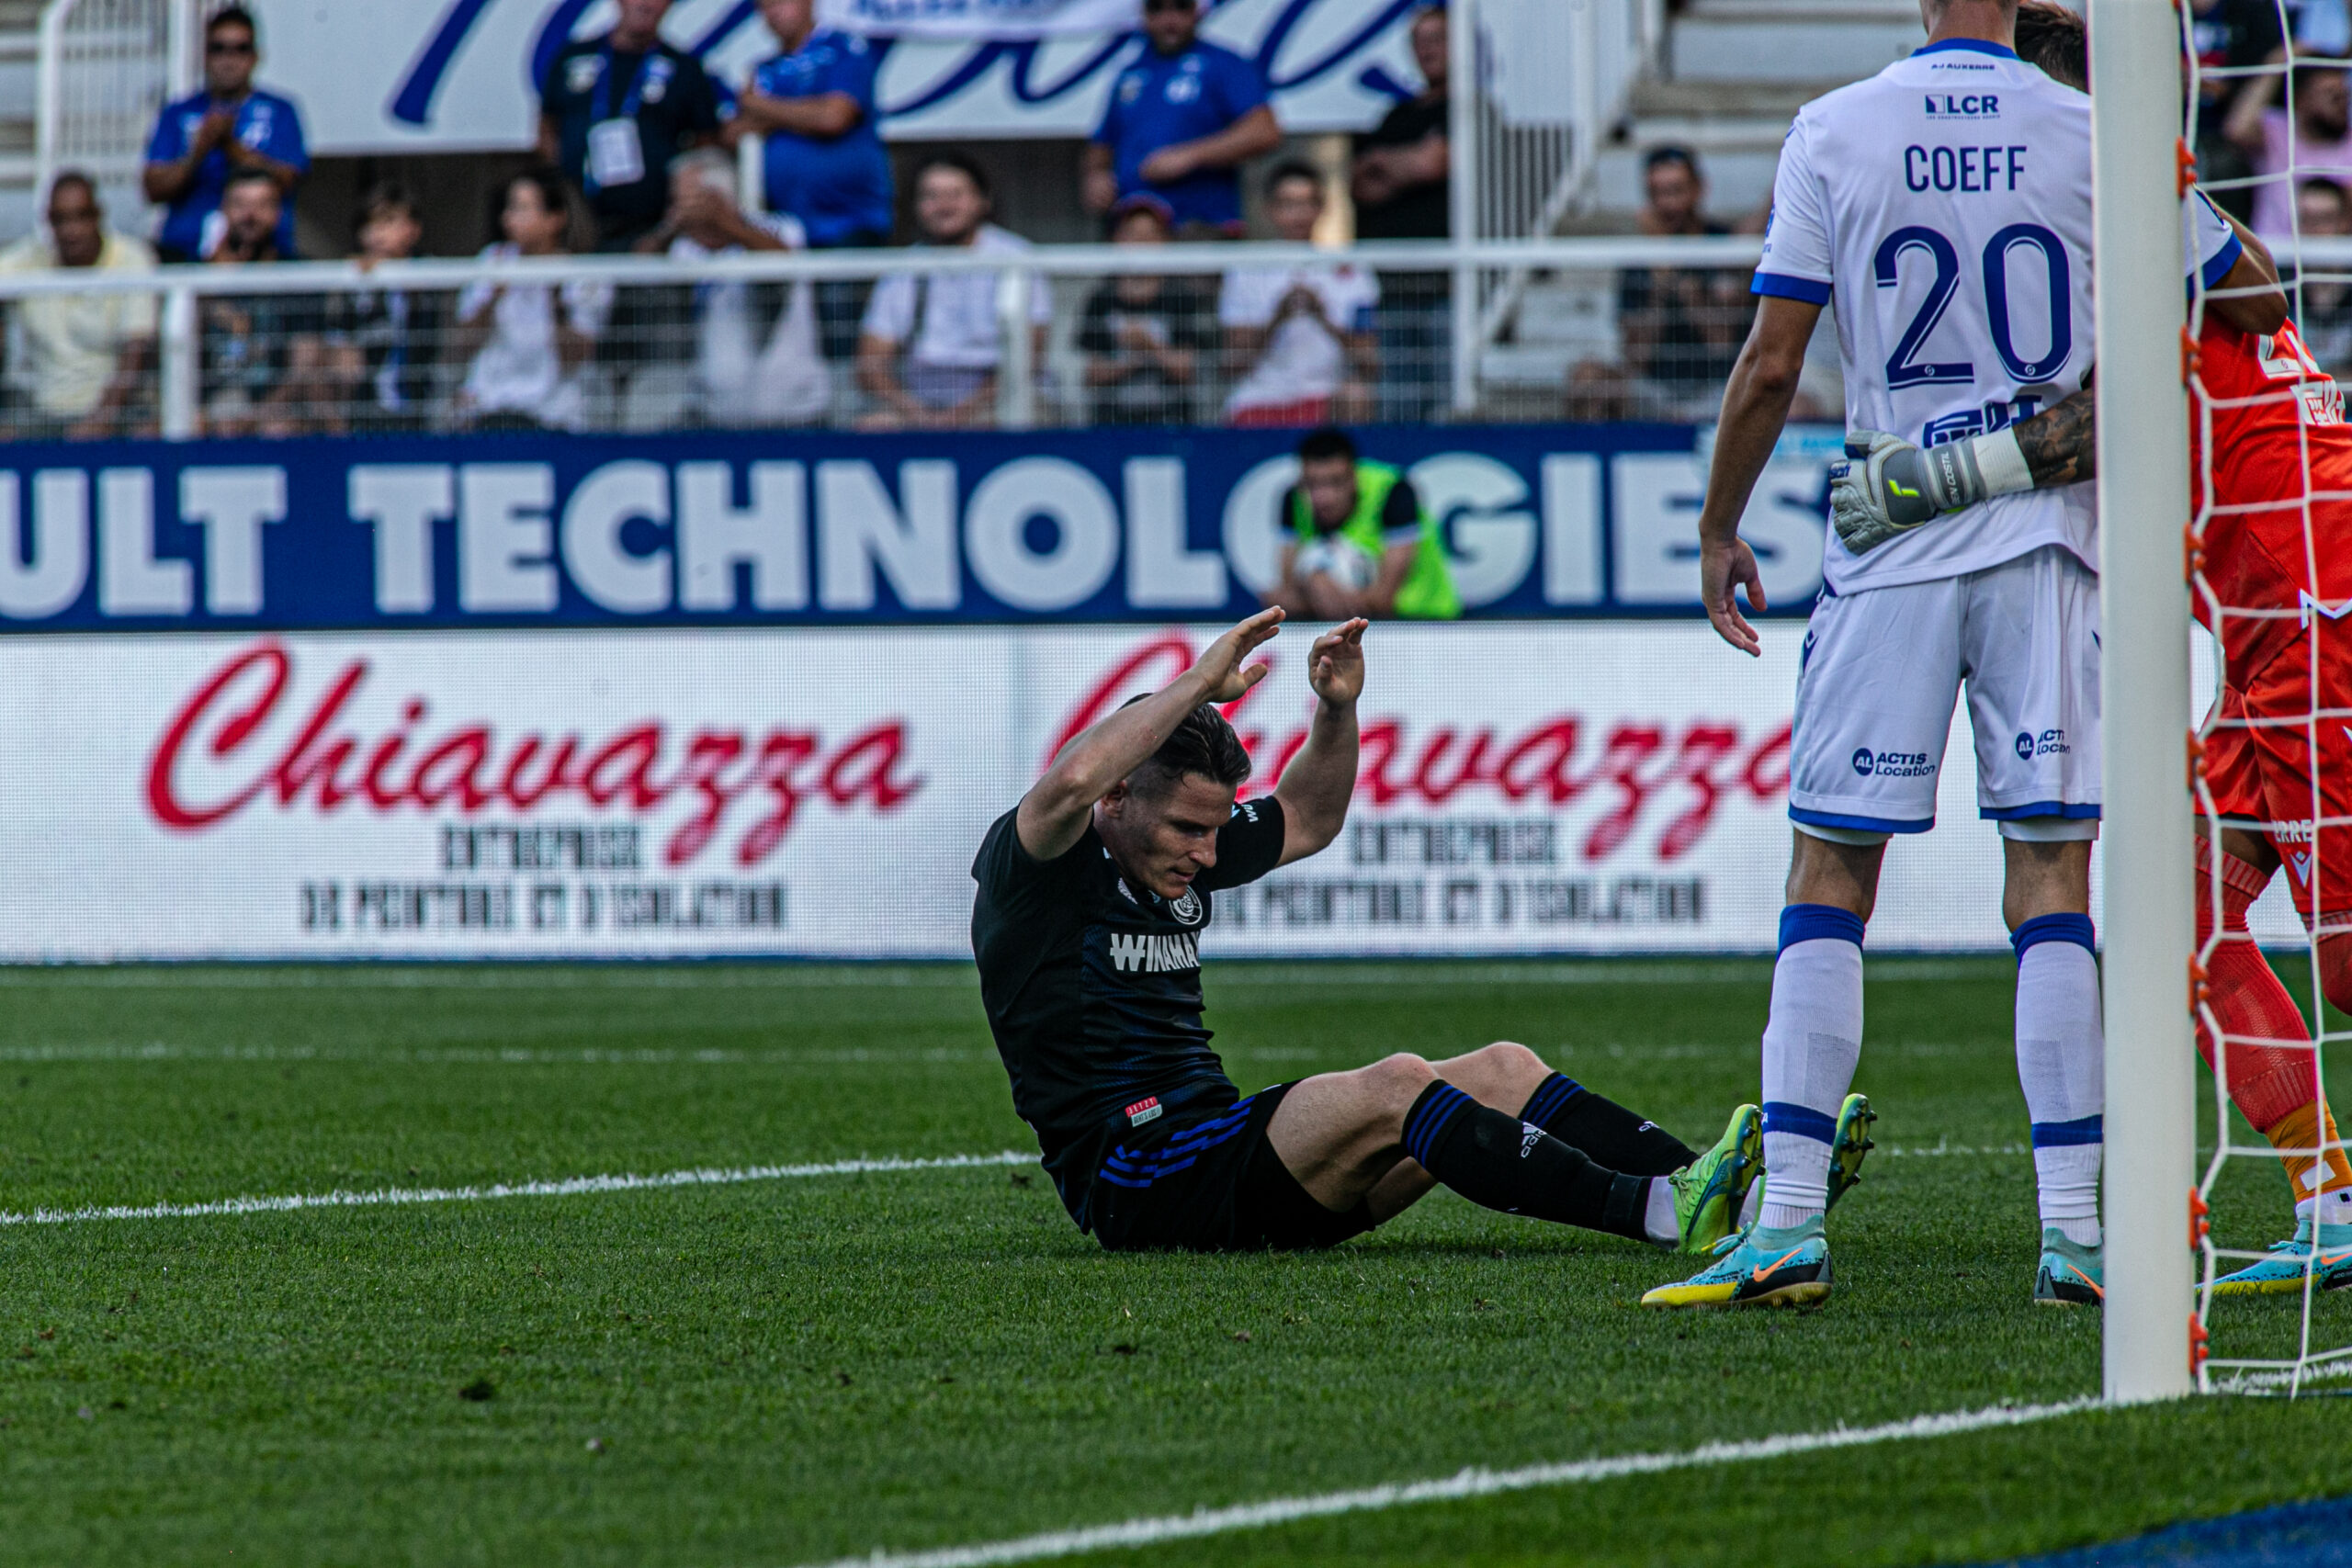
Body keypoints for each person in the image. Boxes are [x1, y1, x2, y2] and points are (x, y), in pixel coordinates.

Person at [1656, 0, 2281, 1313]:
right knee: (2052, 875)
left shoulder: (1835, 127)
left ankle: (1786, 1228)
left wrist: (1719, 522)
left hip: (1892, 541)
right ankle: (2075, 1237)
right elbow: (2256, 293)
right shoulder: (2093, 128)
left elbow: (1773, 361)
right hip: (2054, 546)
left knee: (1831, 869)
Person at [1842, 0, 2350, 1298]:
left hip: (2314, 603)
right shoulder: (2160, 229)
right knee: (2175, 911)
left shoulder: (2136, 227)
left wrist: (1913, 481)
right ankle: (2328, 1192)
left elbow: (2084, 424)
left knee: (2343, 958)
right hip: (2265, 618)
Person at [969, 605, 1770, 1257]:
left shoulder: (1179, 848)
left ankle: (1727, 1189)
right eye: (1187, 827)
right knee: (1398, 1084)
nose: (1208, 852)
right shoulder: (1039, 864)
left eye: (1214, 830)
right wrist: (1197, 683)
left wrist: (1336, 708)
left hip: (1218, 1154)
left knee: (1501, 1067)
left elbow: (1309, 817)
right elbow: (1072, 776)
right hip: (1138, 1177)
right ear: (1116, 799)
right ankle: (1658, 1212)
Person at [855, 154, 1048, 431]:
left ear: (983, 201)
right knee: (871, 426)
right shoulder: (903, 268)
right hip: (921, 400)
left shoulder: (1016, 257)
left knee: (1021, 419)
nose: (943, 206)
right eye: (931, 196)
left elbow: (1030, 357)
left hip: (999, 395)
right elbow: (871, 363)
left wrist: (963, 413)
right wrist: (918, 413)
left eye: (956, 195)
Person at [643, 147, 828, 428]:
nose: (680, 208)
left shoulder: (779, 227)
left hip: (794, 417)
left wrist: (724, 222)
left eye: (689, 199)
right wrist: (670, 228)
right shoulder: (683, 248)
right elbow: (635, 267)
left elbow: (783, 262)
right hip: (714, 420)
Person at [1566, 148, 1749, 422]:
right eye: (1657, 193)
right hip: (1654, 389)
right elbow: (1636, 357)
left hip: (1724, 386)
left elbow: (1721, 341)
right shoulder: (1639, 258)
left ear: (1699, 189)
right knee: (1587, 378)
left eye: (1675, 191)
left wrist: (1684, 280)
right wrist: (1661, 277)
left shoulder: (1728, 248)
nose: (1667, 204)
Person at [537, 0, 729, 252]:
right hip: (575, 224)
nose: (646, 5)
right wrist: (561, 192)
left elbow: (705, 148)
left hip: (651, 231)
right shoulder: (572, 57)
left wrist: (672, 225)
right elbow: (547, 126)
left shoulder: (685, 69)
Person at [1082, 0, 1281, 236]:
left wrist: (1190, 156)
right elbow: (1102, 145)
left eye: (1180, 6)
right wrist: (1096, 177)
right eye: (1157, 9)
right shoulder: (1130, 71)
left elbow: (1264, 131)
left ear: (1197, 10)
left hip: (1200, 227)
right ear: (1143, 14)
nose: (1169, 20)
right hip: (1136, 229)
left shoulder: (1223, 64)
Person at [452, 167, 613, 434]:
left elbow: (575, 356)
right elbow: (461, 347)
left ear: (554, 219)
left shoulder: (585, 274)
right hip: (491, 409)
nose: (508, 219)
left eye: (522, 208)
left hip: (554, 415)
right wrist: (492, 296)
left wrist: (555, 293)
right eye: (509, 208)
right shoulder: (492, 261)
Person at [142, 6, 307, 265]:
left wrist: (231, 145)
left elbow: (288, 180)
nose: (229, 60)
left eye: (240, 49)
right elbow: (153, 188)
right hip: (185, 252)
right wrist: (199, 150)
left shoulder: (280, 111)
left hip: (264, 255)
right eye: (218, 49)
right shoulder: (178, 113)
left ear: (256, 56)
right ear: (204, 56)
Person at [1219, 163, 1378, 427]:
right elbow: (1234, 364)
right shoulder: (1246, 270)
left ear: (1322, 208)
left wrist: (1323, 317)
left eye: (1307, 203)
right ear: (1270, 209)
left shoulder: (1351, 270)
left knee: (1356, 395)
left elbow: (1369, 364)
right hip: (1261, 397)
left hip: (1326, 396)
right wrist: (1277, 318)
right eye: (1288, 204)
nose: (1299, 215)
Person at [0, 172, 157, 439]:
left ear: (98, 215)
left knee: (151, 431)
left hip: (118, 410)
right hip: (39, 409)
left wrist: (101, 419)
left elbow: (136, 350)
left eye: (81, 216)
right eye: (60, 220)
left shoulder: (132, 260)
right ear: (48, 221)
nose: (71, 230)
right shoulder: (29, 260)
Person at [1351, 4, 1451, 423]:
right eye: (1419, 40)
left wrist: (1384, 165)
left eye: (1438, 38)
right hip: (1393, 285)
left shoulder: (1469, 111)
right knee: (1397, 408)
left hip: (1448, 287)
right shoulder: (1395, 116)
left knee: (1447, 403)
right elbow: (1358, 184)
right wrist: (1409, 164)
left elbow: (1432, 164)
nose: (1428, 49)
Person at [1262, 427, 1458, 621]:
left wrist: (1315, 587)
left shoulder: (1394, 492)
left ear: (1354, 477)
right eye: (1313, 484)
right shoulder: (1294, 497)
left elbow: (1383, 601)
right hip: (1349, 629)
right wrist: (1315, 580)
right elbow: (1286, 590)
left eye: (1336, 482)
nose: (1324, 498)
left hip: (1425, 622)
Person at [198, 169, 330, 438]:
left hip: (274, 403)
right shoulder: (196, 278)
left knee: (279, 429)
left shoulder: (300, 276)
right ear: (223, 210)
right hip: (214, 401)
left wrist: (262, 413)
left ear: (278, 212)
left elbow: (304, 363)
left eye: (261, 205)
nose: (250, 216)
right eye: (240, 205)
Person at [1076, 195, 1215, 427]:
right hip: (1112, 421)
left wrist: (1149, 344)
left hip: (1171, 419)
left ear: (1166, 241)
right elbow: (1092, 376)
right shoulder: (1101, 298)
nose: (1141, 243)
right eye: (1133, 235)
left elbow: (1186, 371)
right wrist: (1135, 359)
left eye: (1150, 235)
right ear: (1116, 239)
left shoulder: (1182, 297)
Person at [318, 182, 441, 434]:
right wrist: (361, 284)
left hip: (418, 405)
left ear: (413, 230)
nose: (377, 232)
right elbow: (337, 334)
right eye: (370, 224)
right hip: (366, 407)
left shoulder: (427, 270)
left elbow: (422, 293)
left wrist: (384, 273)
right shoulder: (352, 278)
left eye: (389, 221)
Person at [2226, 61, 2352, 243]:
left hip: (2335, 259)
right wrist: (2278, 61)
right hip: (2276, 253)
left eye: (2344, 96)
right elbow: (2236, 131)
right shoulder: (2277, 130)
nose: (2340, 104)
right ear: (2301, 99)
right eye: (2331, 94)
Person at [2190, 0, 2289, 226]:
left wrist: (2230, 89)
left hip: (2224, 132)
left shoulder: (2253, 11)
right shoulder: (2152, 15)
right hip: (2167, 129)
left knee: (2226, 166)